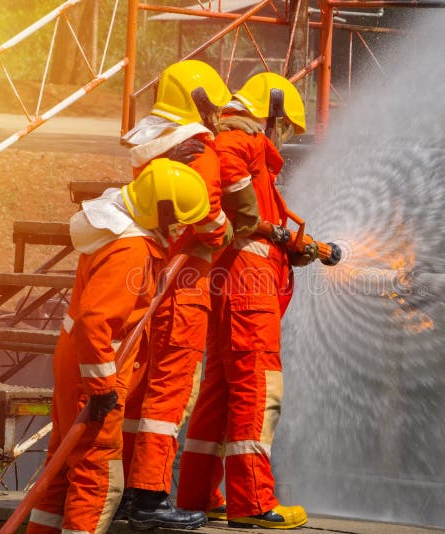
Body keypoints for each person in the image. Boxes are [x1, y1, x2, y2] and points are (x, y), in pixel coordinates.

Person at [26, 158, 211, 534]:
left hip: (77, 362)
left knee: (61, 471)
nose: (179, 228)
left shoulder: (116, 225)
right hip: (94, 369)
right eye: (177, 218)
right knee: (99, 479)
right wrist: (102, 388)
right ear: (159, 210)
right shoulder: (131, 250)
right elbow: (97, 321)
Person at [176, 72, 315, 529]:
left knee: (218, 392)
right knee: (259, 390)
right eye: (286, 127)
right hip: (250, 292)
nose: (284, 137)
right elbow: (244, 201)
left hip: (230, 283)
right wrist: (254, 217)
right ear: (270, 112)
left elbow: (261, 226)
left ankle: (197, 494)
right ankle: (253, 502)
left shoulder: (245, 149)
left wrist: (294, 244)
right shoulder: (243, 137)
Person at [115, 59, 233, 530]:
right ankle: (149, 496)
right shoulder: (199, 152)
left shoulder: (155, 146)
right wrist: (222, 231)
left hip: (152, 281)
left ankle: (123, 490)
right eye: (215, 107)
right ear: (200, 103)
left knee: (141, 392)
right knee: (170, 396)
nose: (218, 117)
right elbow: (211, 222)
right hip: (185, 292)